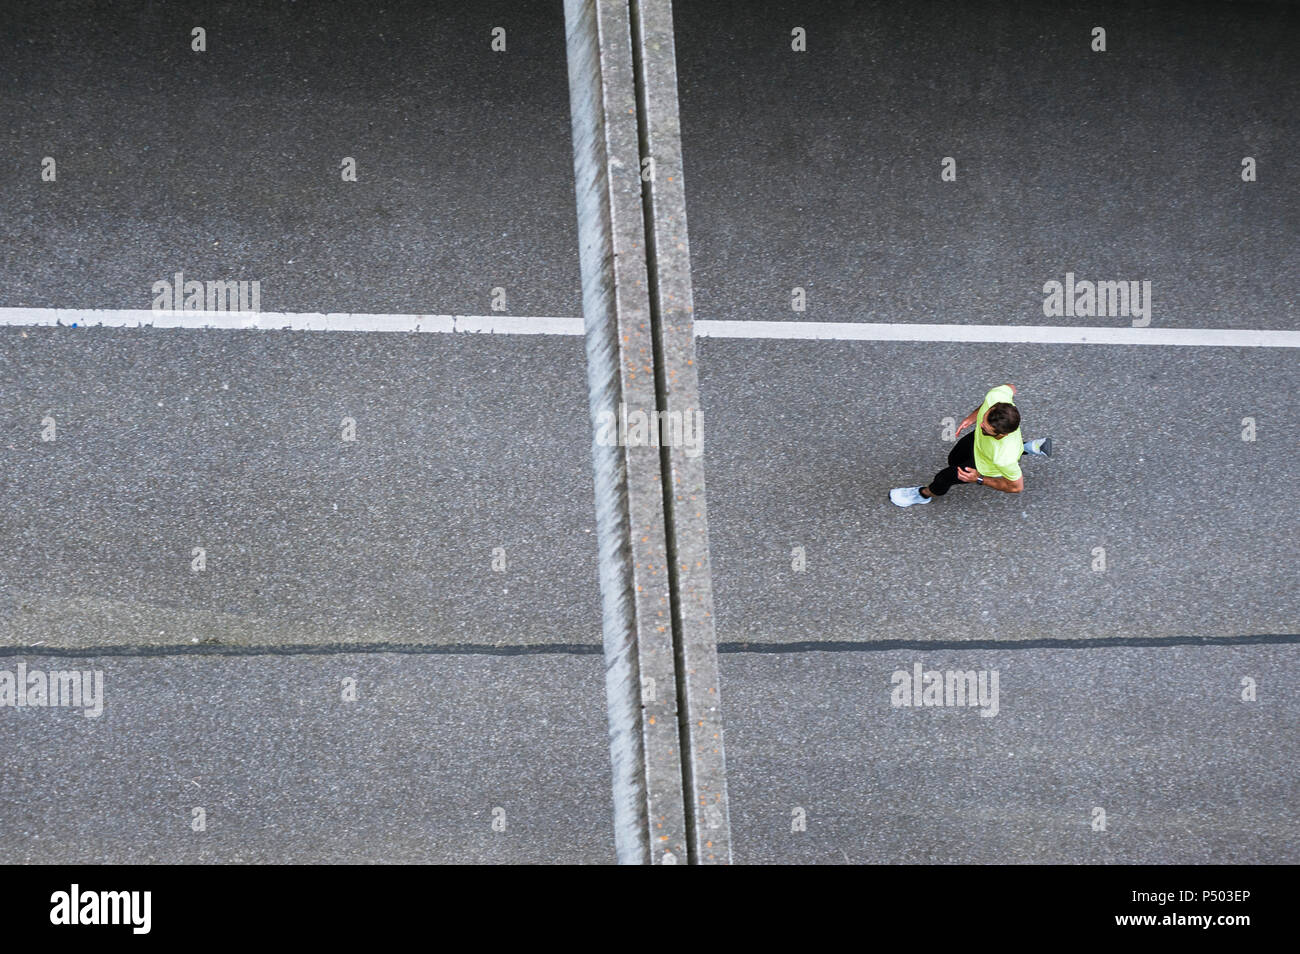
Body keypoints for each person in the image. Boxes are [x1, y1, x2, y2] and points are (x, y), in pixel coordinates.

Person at [890, 384, 1052, 507]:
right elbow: (1011, 387)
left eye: (985, 428)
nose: (980, 425)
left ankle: (923, 494)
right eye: (983, 419)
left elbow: (1016, 487)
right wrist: (972, 417)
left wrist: (979, 479)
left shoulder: (1004, 458)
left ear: (1003, 434)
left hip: (984, 464)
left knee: (944, 477)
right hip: (978, 444)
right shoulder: (996, 397)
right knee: (953, 459)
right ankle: (1031, 447)